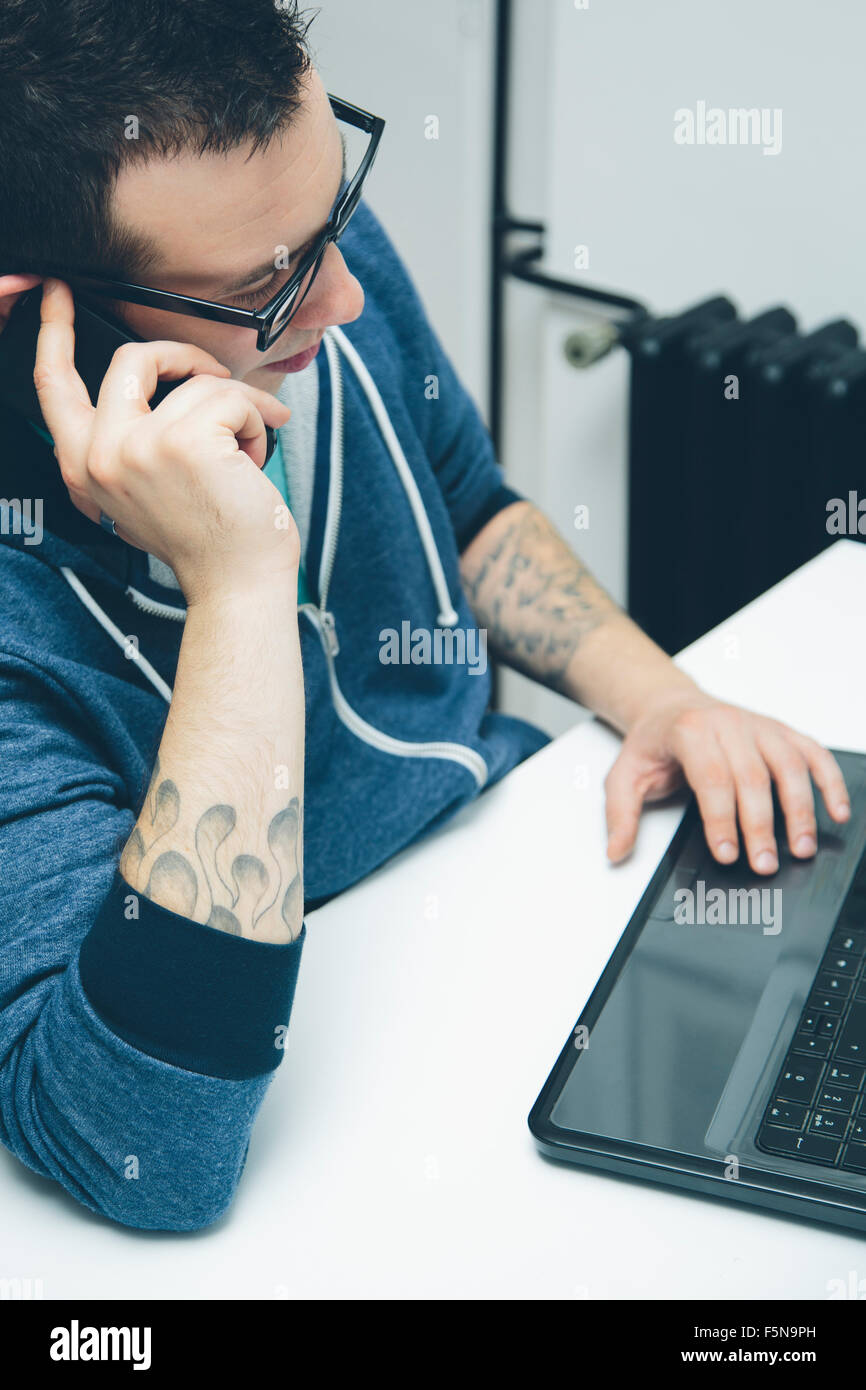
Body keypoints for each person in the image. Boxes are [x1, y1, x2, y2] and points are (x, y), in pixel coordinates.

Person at [0, 0, 849, 1231]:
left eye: (336, 212)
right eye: (271, 280)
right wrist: (236, 589)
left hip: (497, 890)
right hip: (315, 1088)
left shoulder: (289, 248)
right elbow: (145, 1142)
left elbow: (467, 506)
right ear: (39, 314)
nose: (343, 297)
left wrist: (659, 696)